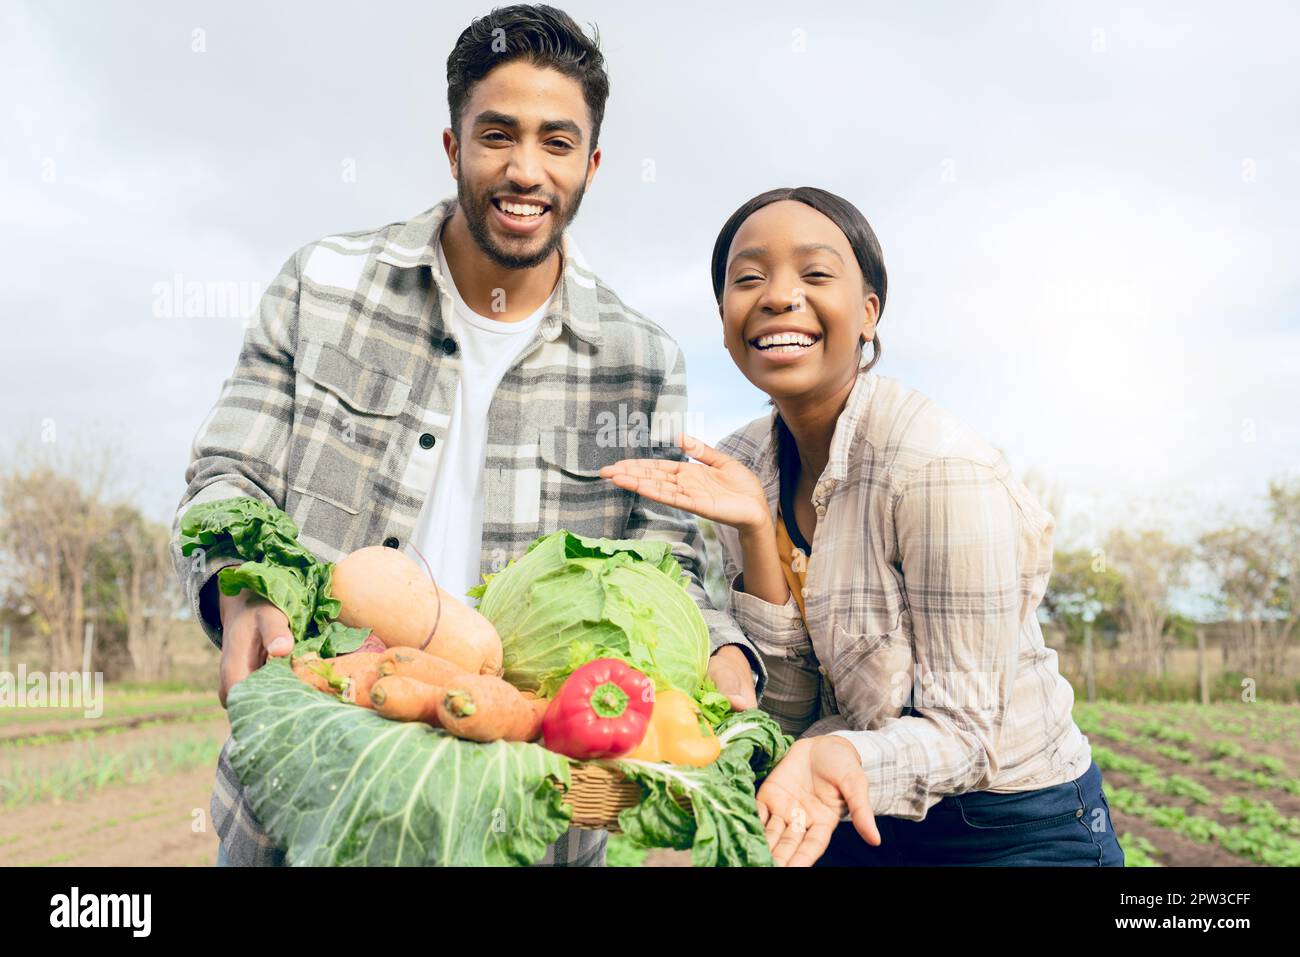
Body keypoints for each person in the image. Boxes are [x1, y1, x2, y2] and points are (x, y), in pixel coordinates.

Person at [172, 4, 762, 868]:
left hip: (533, 812)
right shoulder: (323, 287)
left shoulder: (639, 361)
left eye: (557, 143)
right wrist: (240, 588)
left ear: (592, 165)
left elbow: (665, 566)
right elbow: (229, 473)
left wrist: (720, 648)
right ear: (453, 147)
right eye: (498, 135)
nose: (526, 170)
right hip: (316, 774)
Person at [601, 186, 1123, 867]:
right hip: (843, 796)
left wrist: (834, 755)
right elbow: (787, 709)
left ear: (869, 312)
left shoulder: (937, 467)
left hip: (1007, 819)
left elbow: (968, 738)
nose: (779, 296)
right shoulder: (741, 467)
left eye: (815, 274)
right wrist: (760, 533)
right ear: (725, 314)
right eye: (748, 277)